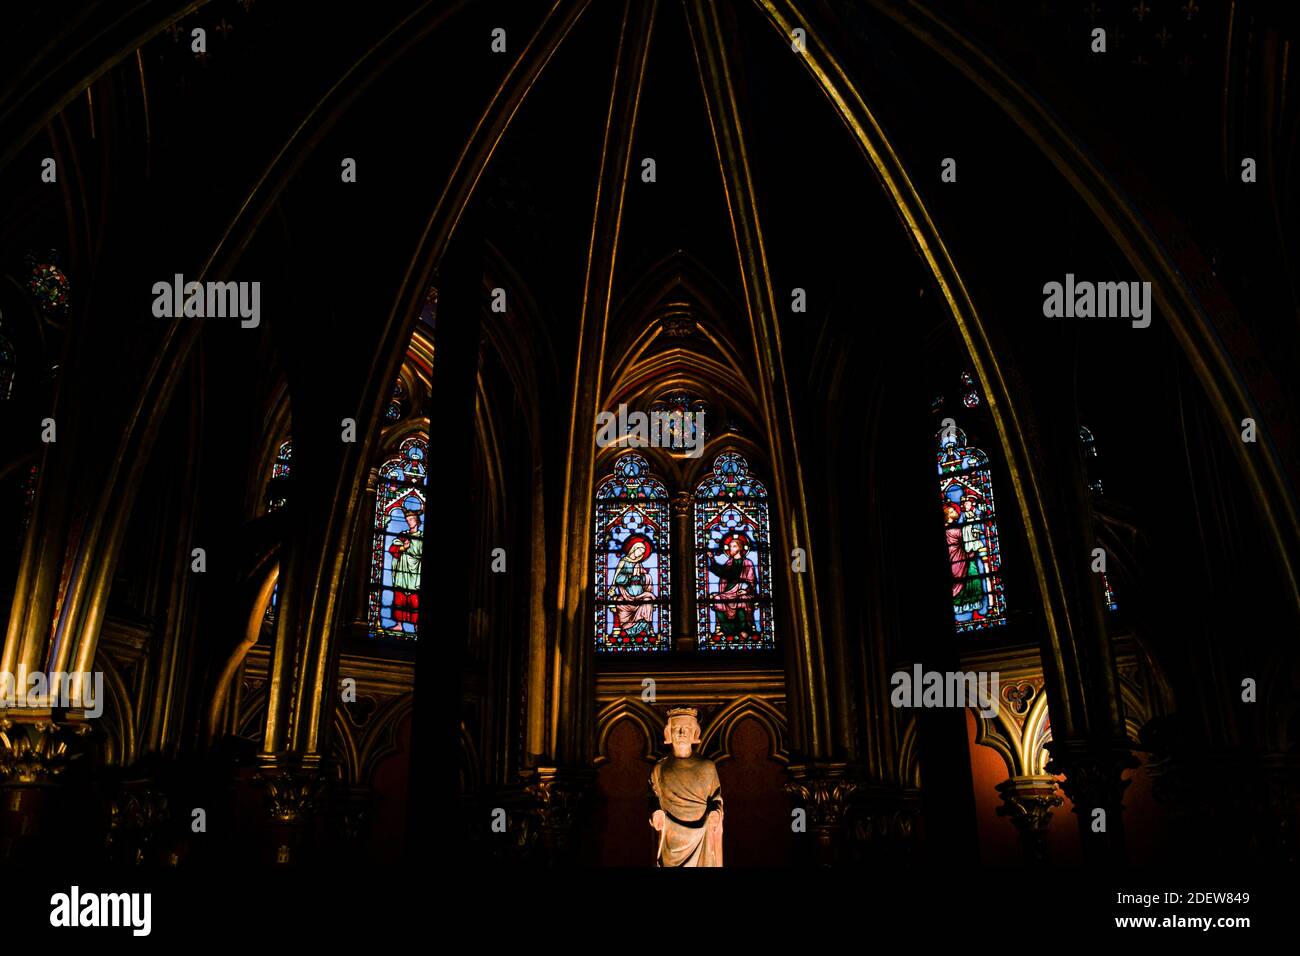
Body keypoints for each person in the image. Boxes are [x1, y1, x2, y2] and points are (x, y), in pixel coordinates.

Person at [648, 708, 723, 867]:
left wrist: (716, 814)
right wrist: (657, 812)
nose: (681, 733)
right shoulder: (660, 768)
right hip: (672, 838)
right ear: (669, 733)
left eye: (687, 729)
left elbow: (716, 799)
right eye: (676, 729)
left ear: (695, 733)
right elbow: (653, 797)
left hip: (701, 834)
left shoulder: (707, 767)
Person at [709, 531, 757, 641]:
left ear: (740, 548)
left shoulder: (747, 563)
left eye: (733, 546)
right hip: (728, 592)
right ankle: (726, 629)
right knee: (717, 599)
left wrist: (746, 590)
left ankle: (744, 629)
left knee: (742, 600)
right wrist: (712, 559)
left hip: (741, 592)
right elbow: (721, 572)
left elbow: (752, 580)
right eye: (730, 546)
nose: (731, 549)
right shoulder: (729, 563)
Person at [609, 534, 656, 643]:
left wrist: (642, 577)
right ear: (634, 549)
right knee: (620, 602)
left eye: (643, 553)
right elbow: (617, 578)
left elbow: (646, 578)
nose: (641, 554)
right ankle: (627, 629)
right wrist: (630, 576)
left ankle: (647, 627)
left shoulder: (638, 564)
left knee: (648, 600)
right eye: (640, 551)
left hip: (640, 595)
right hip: (626, 595)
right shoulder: (623, 562)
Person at [388, 507, 422, 627]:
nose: (409, 522)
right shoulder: (403, 536)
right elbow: (392, 549)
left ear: (417, 521)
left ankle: (417, 625)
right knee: (399, 598)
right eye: (407, 519)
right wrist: (403, 548)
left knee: (415, 600)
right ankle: (399, 624)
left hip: (416, 572)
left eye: (412, 519)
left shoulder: (422, 537)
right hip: (402, 572)